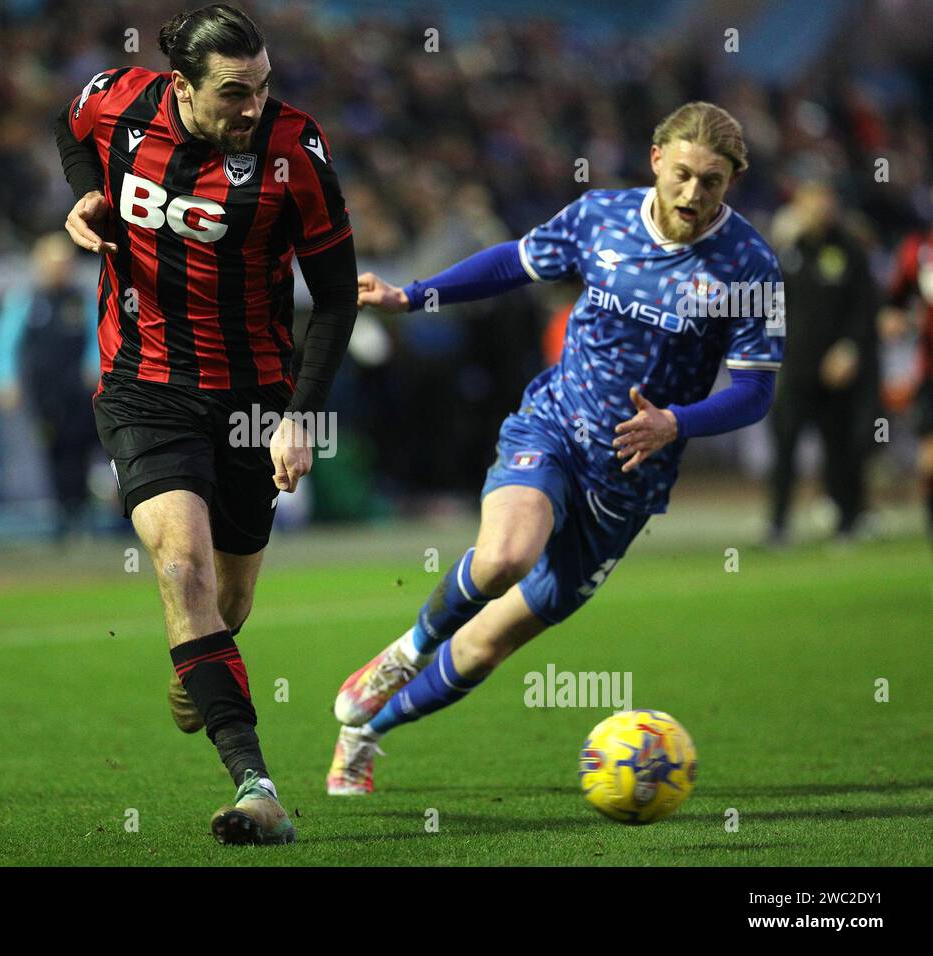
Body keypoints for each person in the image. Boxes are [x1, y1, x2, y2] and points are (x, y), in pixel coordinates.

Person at [326, 102, 784, 796]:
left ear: (733, 182)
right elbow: (516, 261)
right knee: (505, 554)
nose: (693, 194)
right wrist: (414, 296)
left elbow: (755, 391)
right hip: (556, 426)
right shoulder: (600, 217)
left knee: (486, 643)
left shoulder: (752, 266)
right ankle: (404, 653)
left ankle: (364, 734)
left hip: (630, 482)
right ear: (657, 160)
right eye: (683, 174)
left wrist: (676, 424)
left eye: (712, 183)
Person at [55, 3, 357, 843]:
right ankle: (256, 786)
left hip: (254, 398)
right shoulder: (119, 100)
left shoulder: (295, 150)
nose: (251, 108)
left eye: (261, 89)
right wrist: (86, 191)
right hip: (143, 384)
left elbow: (333, 297)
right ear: (181, 86)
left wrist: (299, 419)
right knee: (182, 567)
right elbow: (70, 122)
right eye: (232, 93)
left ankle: (202, 664)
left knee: (226, 598)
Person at [766, 180, 879, 545]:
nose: (820, 207)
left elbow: (864, 307)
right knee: (785, 446)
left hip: (837, 370)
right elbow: (773, 308)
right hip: (797, 368)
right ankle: (777, 525)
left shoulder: (849, 251)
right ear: (799, 206)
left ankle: (848, 521)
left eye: (825, 199)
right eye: (812, 200)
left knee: (841, 447)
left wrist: (850, 347)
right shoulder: (789, 253)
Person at [0, 233, 96, 536]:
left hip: (82, 393)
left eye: (64, 262)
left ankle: (81, 512)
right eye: (52, 262)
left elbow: (100, 337)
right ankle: (64, 515)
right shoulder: (26, 300)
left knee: (81, 450)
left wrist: (95, 369)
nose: (58, 268)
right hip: (45, 393)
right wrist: (3, 380)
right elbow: (3, 343)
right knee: (54, 450)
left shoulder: (83, 298)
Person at [882, 221, 933, 548]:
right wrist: (892, 318)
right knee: (929, 460)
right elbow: (894, 302)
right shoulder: (918, 250)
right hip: (931, 372)